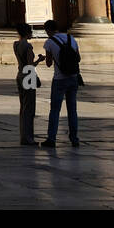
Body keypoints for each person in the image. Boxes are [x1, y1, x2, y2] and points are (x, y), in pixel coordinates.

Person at [41, 19, 81, 148]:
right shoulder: (71, 38)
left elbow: (48, 64)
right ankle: (74, 138)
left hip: (59, 78)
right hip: (73, 77)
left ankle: (51, 138)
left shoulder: (49, 42)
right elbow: (78, 57)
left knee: (55, 109)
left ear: (48, 30)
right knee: (72, 109)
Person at [13, 23, 44, 146]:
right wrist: (39, 60)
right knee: (29, 109)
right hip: (28, 76)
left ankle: (24, 136)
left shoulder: (16, 45)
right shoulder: (27, 46)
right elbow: (30, 65)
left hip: (20, 74)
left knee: (23, 107)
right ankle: (28, 138)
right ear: (27, 33)